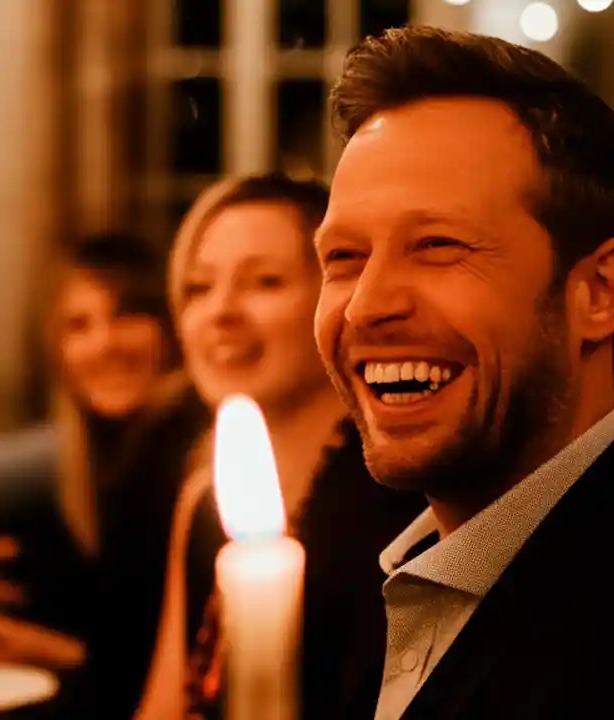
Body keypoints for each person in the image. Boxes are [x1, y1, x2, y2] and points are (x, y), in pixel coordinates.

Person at [313, 27, 614, 718]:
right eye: (343, 257)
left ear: (600, 292)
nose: (367, 305)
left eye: (436, 245)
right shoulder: (385, 577)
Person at [130, 174, 424, 720]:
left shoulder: (406, 505)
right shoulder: (202, 502)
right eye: (198, 287)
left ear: (340, 301)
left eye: (264, 282)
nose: (220, 312)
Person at [0, 233, 172, 665]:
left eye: (128, 314)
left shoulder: (182, 458)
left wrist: (47, 652)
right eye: (79, 325)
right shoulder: (100, 460)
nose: (105, 344)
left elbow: (155, 668)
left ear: (170, 327)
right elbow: (87, 596)